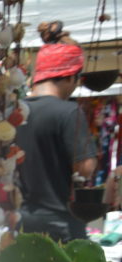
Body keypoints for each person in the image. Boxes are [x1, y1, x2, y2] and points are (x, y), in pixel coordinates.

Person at [14, 21, 99, 243]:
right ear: (70, 76)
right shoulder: (68, 112)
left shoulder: (15, 112)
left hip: (25, 220)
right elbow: (86, 168)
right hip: (62, 223)